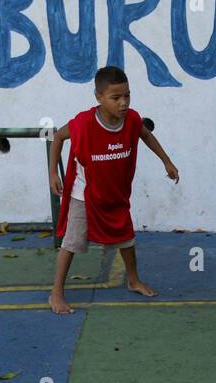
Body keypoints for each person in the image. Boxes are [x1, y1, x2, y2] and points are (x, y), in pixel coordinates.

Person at [47, 65, 179, 315]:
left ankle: (133, 280)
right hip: (84, 194)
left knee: (126, 237)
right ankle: (56, 292)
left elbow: (146, 135)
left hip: (115, 193)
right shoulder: (84, 123)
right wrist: (54, 172)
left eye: (127, 95)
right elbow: (57, 137)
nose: (123, 103)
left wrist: (166, 161)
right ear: (99, 98)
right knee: (71, 242)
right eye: (116, 97)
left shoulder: (132, 120)